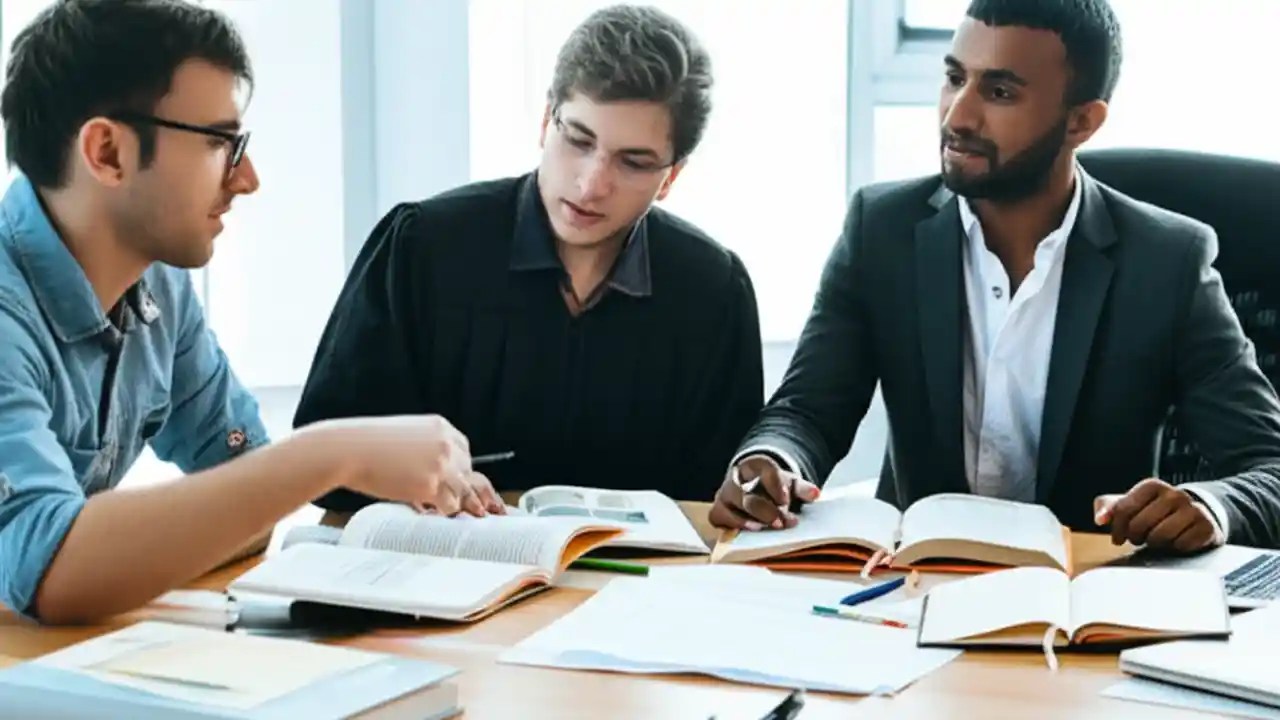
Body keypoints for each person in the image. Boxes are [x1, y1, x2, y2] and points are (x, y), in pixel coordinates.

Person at [711, 0, 1280, 553]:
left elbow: (1269, 467)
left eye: (1000, 91)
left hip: (1082, 600)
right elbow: (807, 411)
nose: (958, 115)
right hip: (909, 590)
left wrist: (1212, 506)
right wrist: (774, 463)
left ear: (1082, 120)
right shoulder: (881, 231)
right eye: (954, 78)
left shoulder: (1167, 261)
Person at [0, 0, 486, 626]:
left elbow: (241, 481)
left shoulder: (159, 286)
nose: (247, 178)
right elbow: (50, 572)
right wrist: (333, 453)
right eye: (222, 143)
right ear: (107, 152)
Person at [294, 5, 763, 512]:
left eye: (633, 162)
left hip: (633, 586)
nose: (591, 184)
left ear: (670, 178)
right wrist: (416, 482)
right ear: (546, 122)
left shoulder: (714, 291)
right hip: (437, 573)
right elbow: (319, 466)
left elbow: (716, 508)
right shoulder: (421, 247)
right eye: (578, 140)